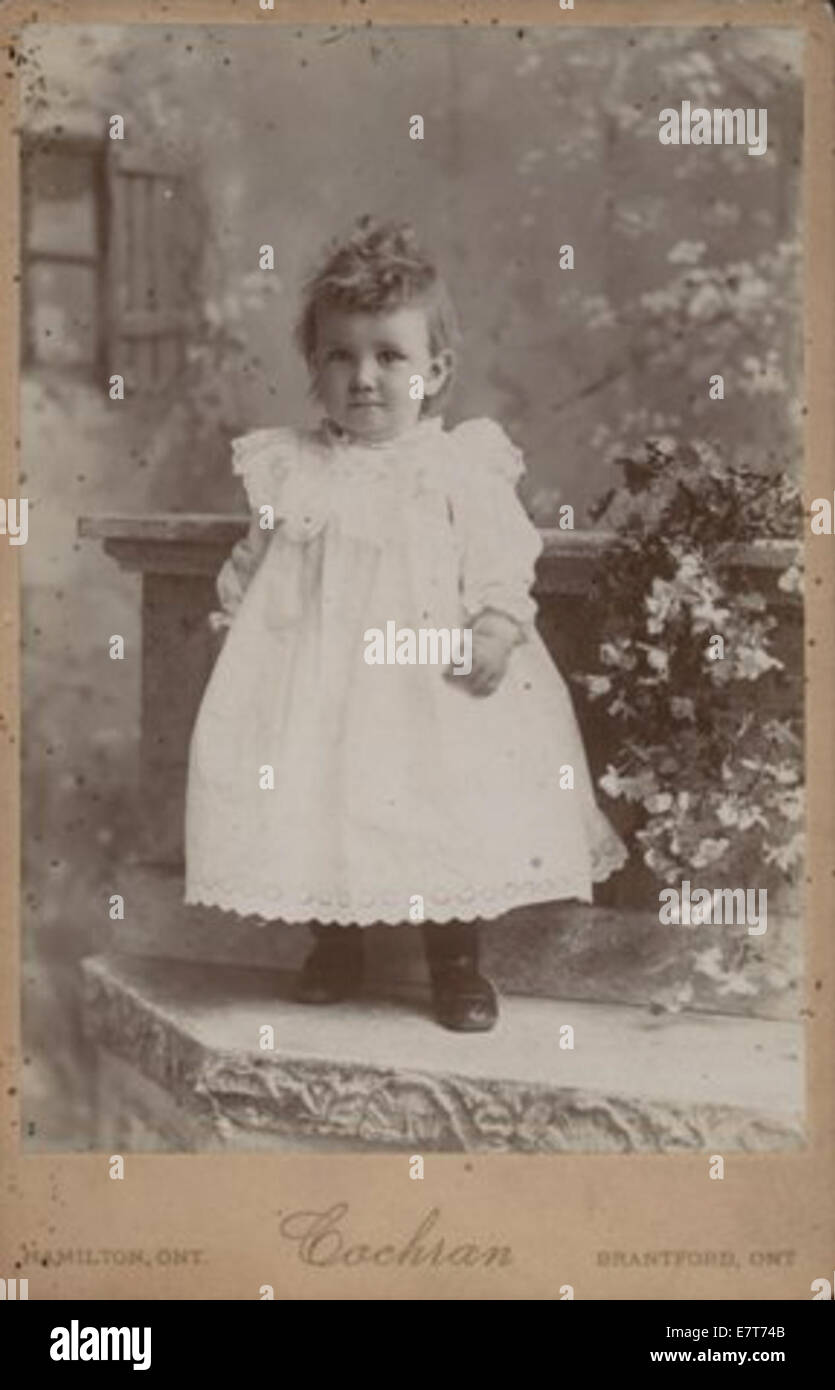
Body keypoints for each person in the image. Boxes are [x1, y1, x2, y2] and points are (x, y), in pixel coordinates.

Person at [184, 215, 626, 1032]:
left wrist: (494, 624)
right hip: (319, 679)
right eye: (340, 357)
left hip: (434, 679)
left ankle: (455, 962)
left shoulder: (459, 465)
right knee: (318, 800)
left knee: (443, 805)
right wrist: (235, 623)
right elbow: (259, 557)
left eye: (390, 356)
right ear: (314, 369)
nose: (364, 378)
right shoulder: (295, 469)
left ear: (435, 369)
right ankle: (335, 944)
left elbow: (500, 555)